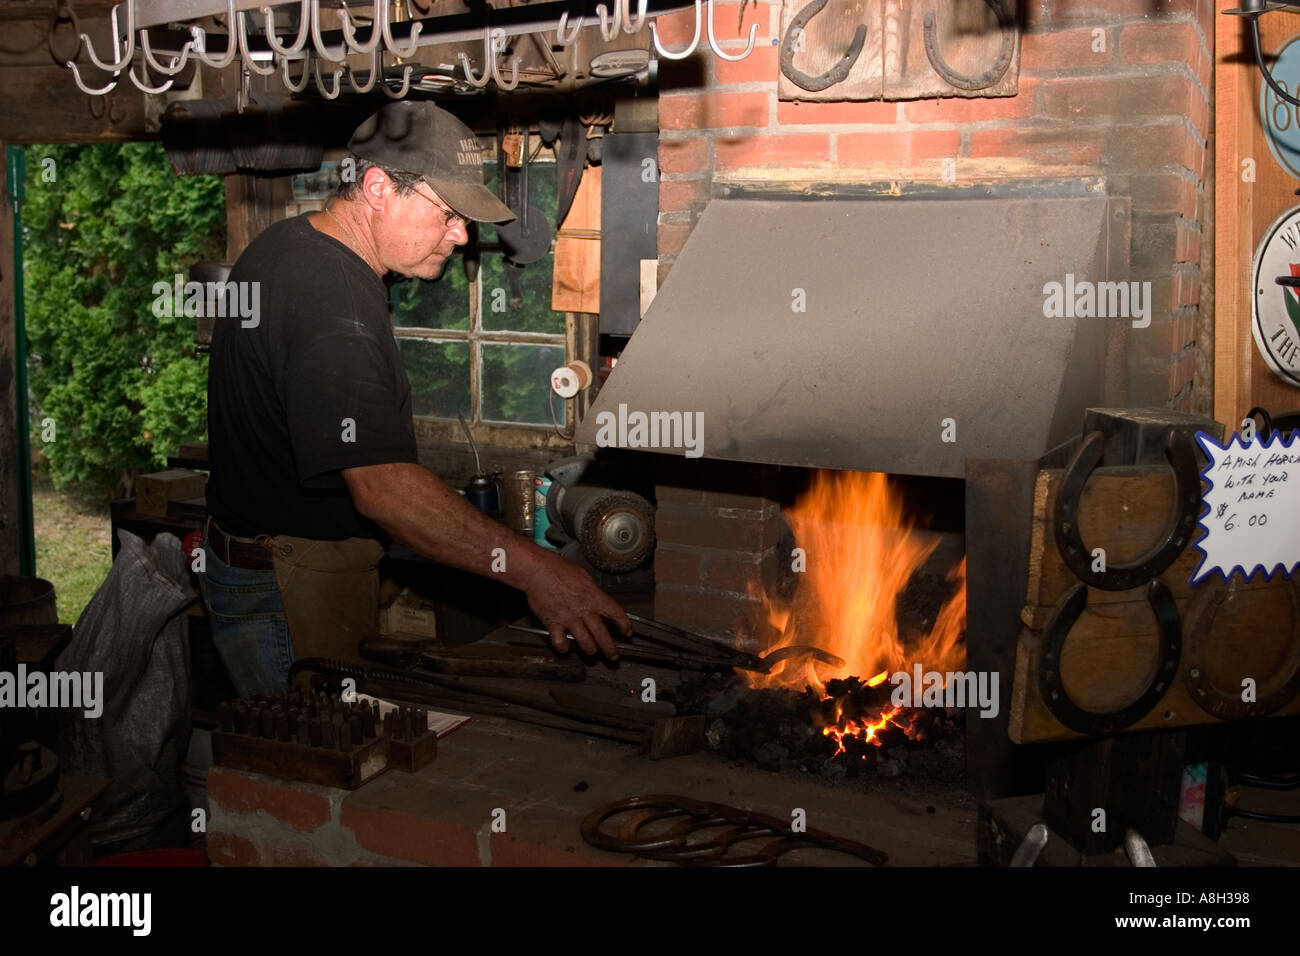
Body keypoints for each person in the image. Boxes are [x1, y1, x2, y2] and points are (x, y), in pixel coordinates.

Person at [203, 101, 629, 697]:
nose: (461, 234)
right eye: (449, 213)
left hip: (261, 559)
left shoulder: (286, 246)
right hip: (287, 578)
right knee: (312, 762)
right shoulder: (335, 296)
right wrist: (536, 571)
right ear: (378, 187)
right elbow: (381, 486)